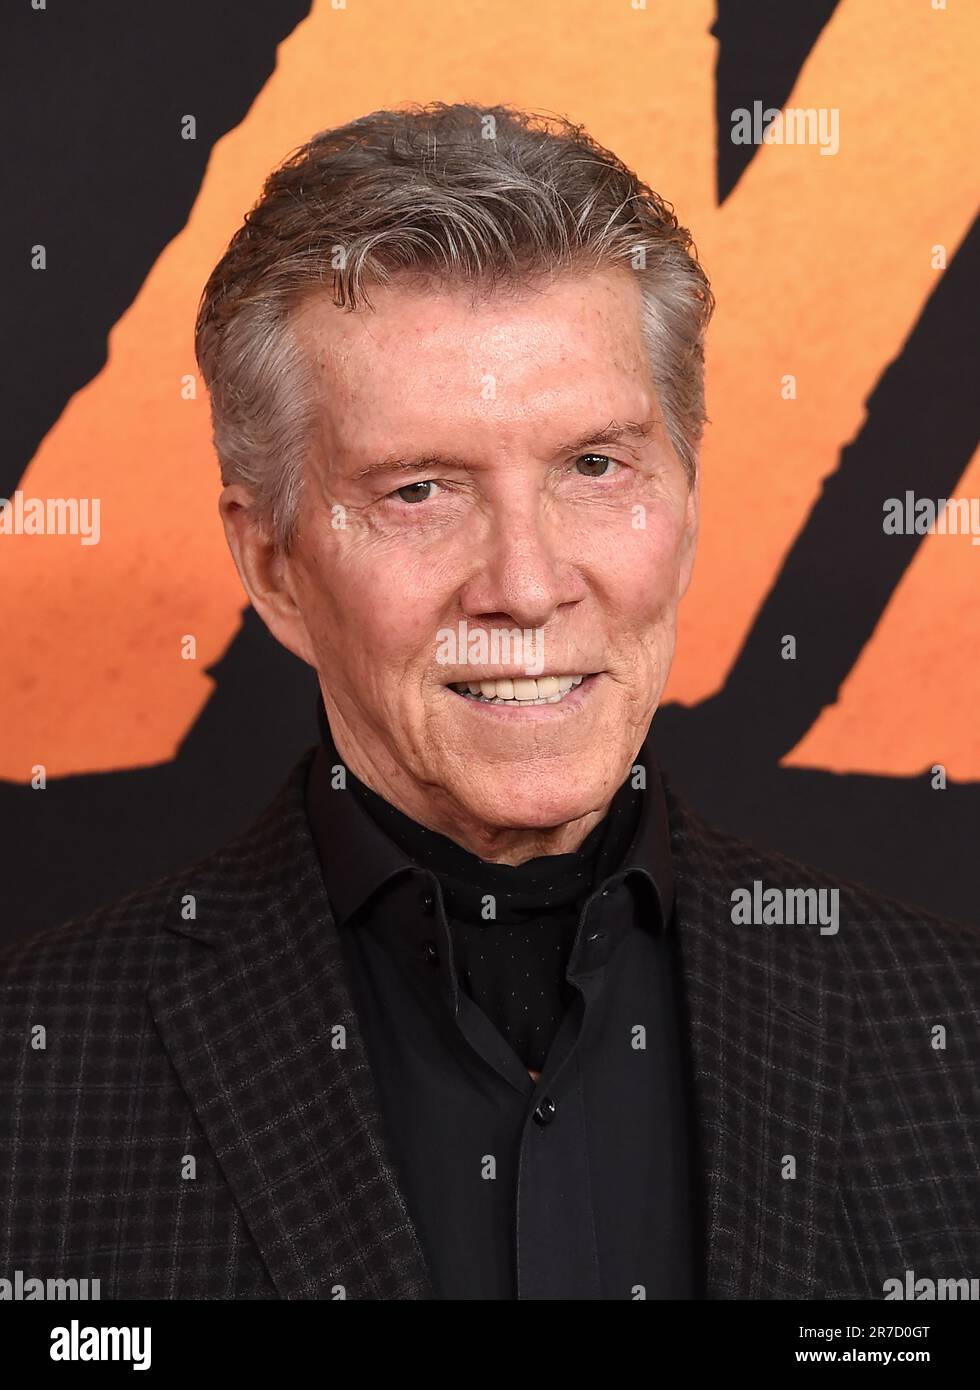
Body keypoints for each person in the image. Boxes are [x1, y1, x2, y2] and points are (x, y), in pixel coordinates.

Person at [1, 103, 978, 1301]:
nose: (526, 584)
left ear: (684, 502)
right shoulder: (31, 1076)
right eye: (419, 489)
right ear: (272, 567)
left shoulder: (949, 1028)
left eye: (593, 466)